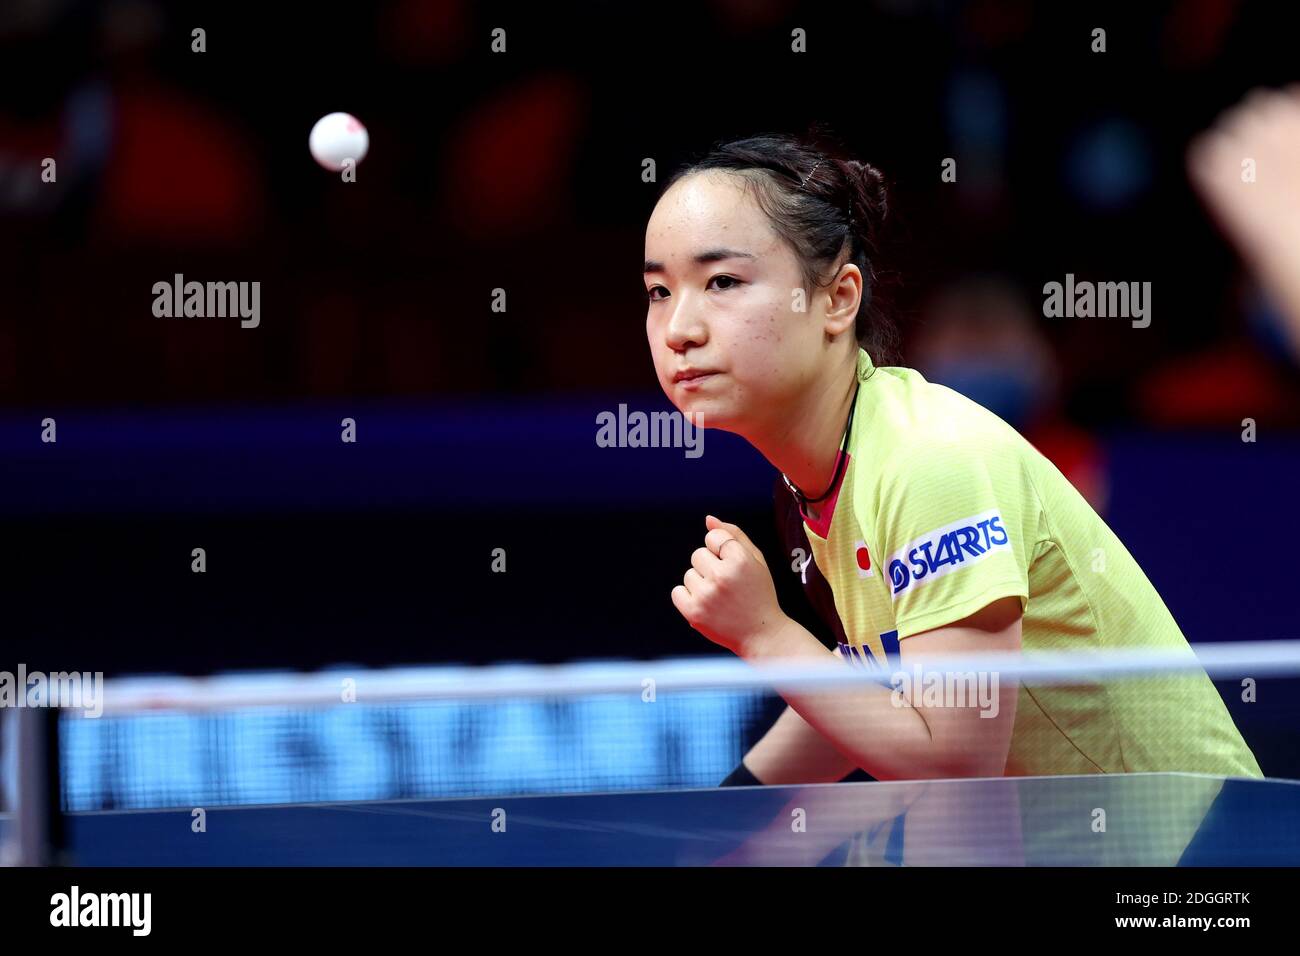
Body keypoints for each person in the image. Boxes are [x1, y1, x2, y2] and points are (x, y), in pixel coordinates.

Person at [642, 133, 1261, 783]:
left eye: (722, 281)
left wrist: (767, 637)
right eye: (659, 291)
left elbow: (956, 765)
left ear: (837, 298)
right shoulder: (828, 477)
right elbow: (871, 683)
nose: (680, 329)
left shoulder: (929, 460)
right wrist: (725, 834)